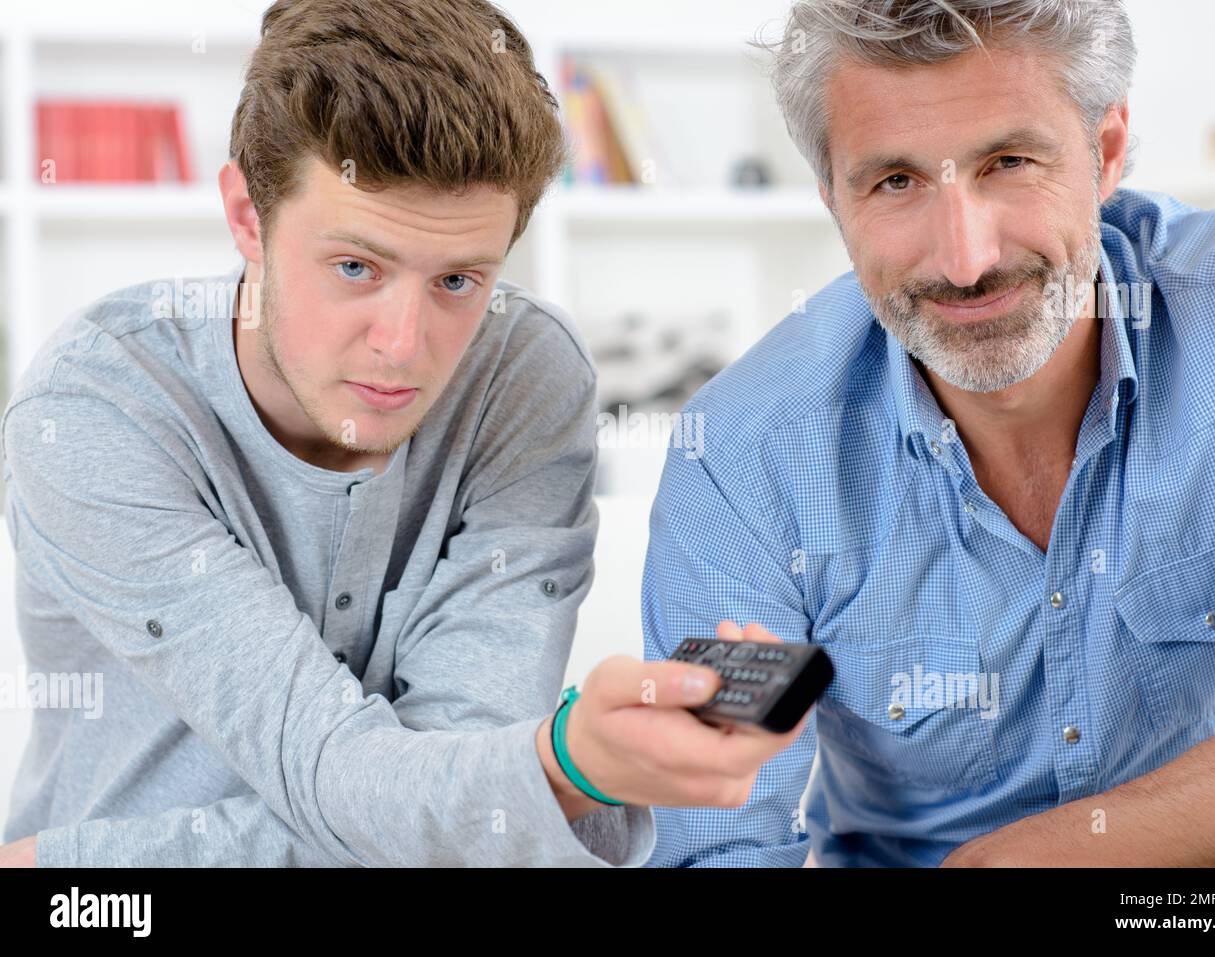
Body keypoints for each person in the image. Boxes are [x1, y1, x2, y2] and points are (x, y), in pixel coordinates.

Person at [0, 0, 806, 868]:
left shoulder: (524, 376)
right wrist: (556, 773)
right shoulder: (96, 405)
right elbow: (363, 783)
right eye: (356, 266)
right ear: (246, 217)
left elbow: (446, 818)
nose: (403, 344)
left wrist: (74, 860)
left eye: (458, 279)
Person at [643, 0, 1215, 866]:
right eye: (896, 182)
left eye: (1010, 161)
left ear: (1104, 155)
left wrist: (1018, 862)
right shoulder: (738, 455)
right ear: (834, 196)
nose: (965, 259)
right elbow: (713, 843)